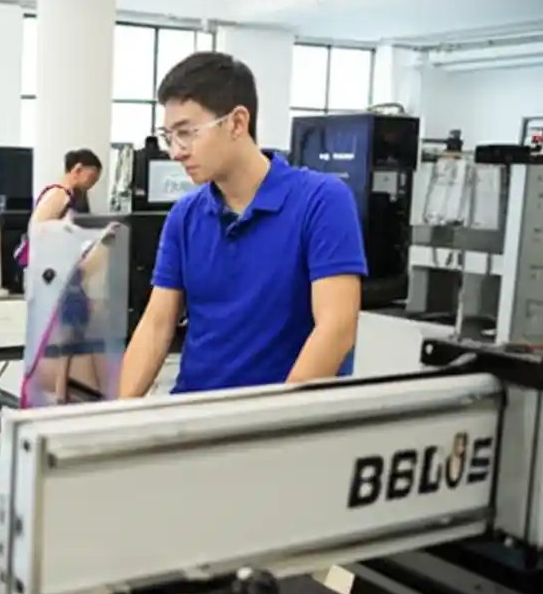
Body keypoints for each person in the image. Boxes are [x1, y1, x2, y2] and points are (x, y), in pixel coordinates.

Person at [118, 52, 366, 399]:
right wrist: (111, 420)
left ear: (236, 122)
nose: (175, 152)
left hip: (278, 427)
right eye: (169, 136)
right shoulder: (185, 216)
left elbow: (336, 328)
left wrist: (269, 426)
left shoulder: (321, 201)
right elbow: (157, 325)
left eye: (187, 133)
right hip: (194, 415)